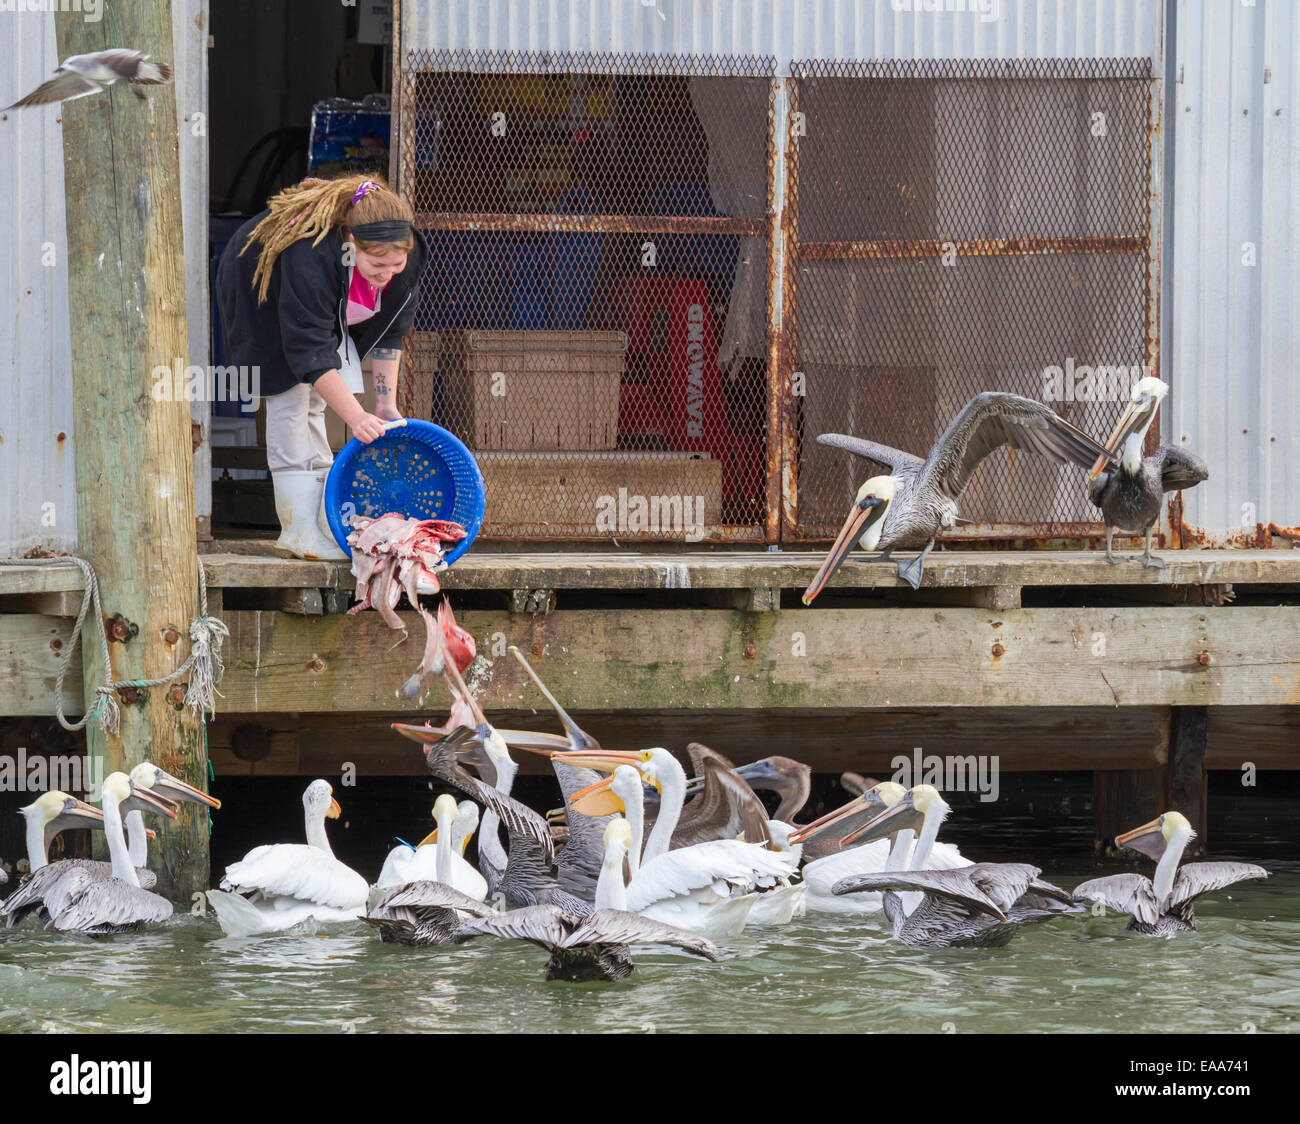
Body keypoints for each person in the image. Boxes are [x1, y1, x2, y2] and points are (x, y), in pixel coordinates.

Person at [216, 174, 428, 559]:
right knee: (292, 404)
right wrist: (356, 416)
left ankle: (321, 522)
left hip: (325, 307)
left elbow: (392, 334)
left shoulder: (405, 258)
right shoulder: (309, 255)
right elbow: (309, 351)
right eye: (377, 264)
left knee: (316, 403)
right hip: (260, 291)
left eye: (395, 265)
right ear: (350, 244)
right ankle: (296, 532)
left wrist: (384, 405)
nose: (387, 274)